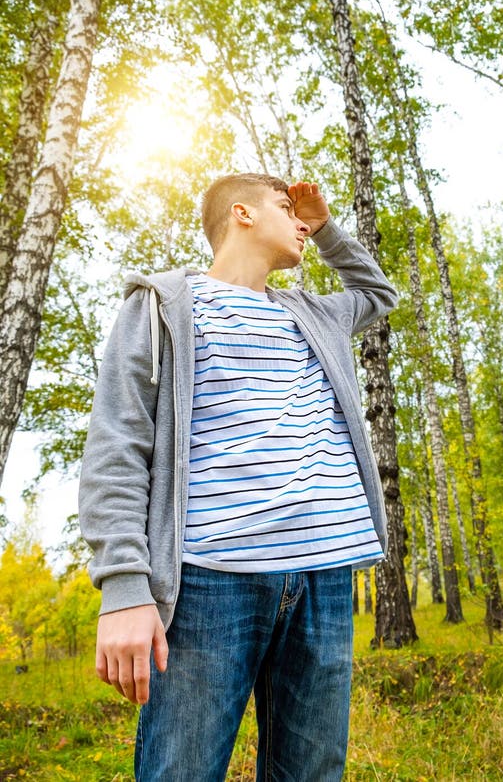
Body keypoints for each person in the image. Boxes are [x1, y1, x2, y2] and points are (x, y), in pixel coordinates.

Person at [79, 172, 398, 781]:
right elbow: (117, 444)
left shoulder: (316, 315)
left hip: (326, 574)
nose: (300, 223)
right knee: (183, 771)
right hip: (210, 582)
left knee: (310, 773)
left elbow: (378, 294)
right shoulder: (162, 305)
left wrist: (326, 226)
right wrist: (124, 586)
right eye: (288, 208)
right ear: (243, 213)